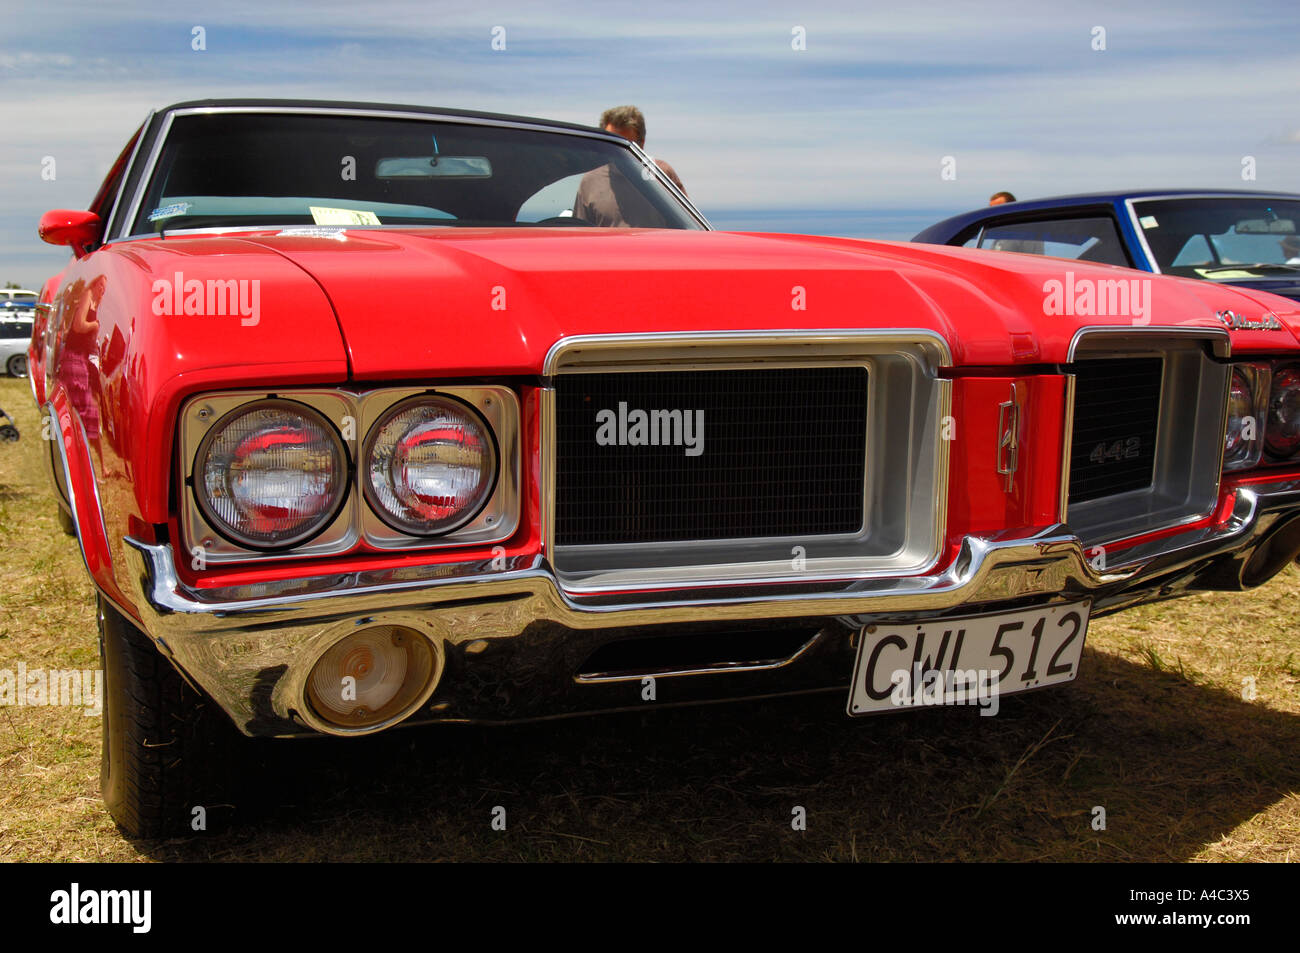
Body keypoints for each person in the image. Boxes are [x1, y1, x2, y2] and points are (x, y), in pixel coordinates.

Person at [573, 106, 685, 227]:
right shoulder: (591, 181)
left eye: (624, 147)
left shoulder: (661, 174)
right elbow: (580, 236)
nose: (618, 153)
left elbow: (687, 228)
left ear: (642, 143)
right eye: (612, 144)